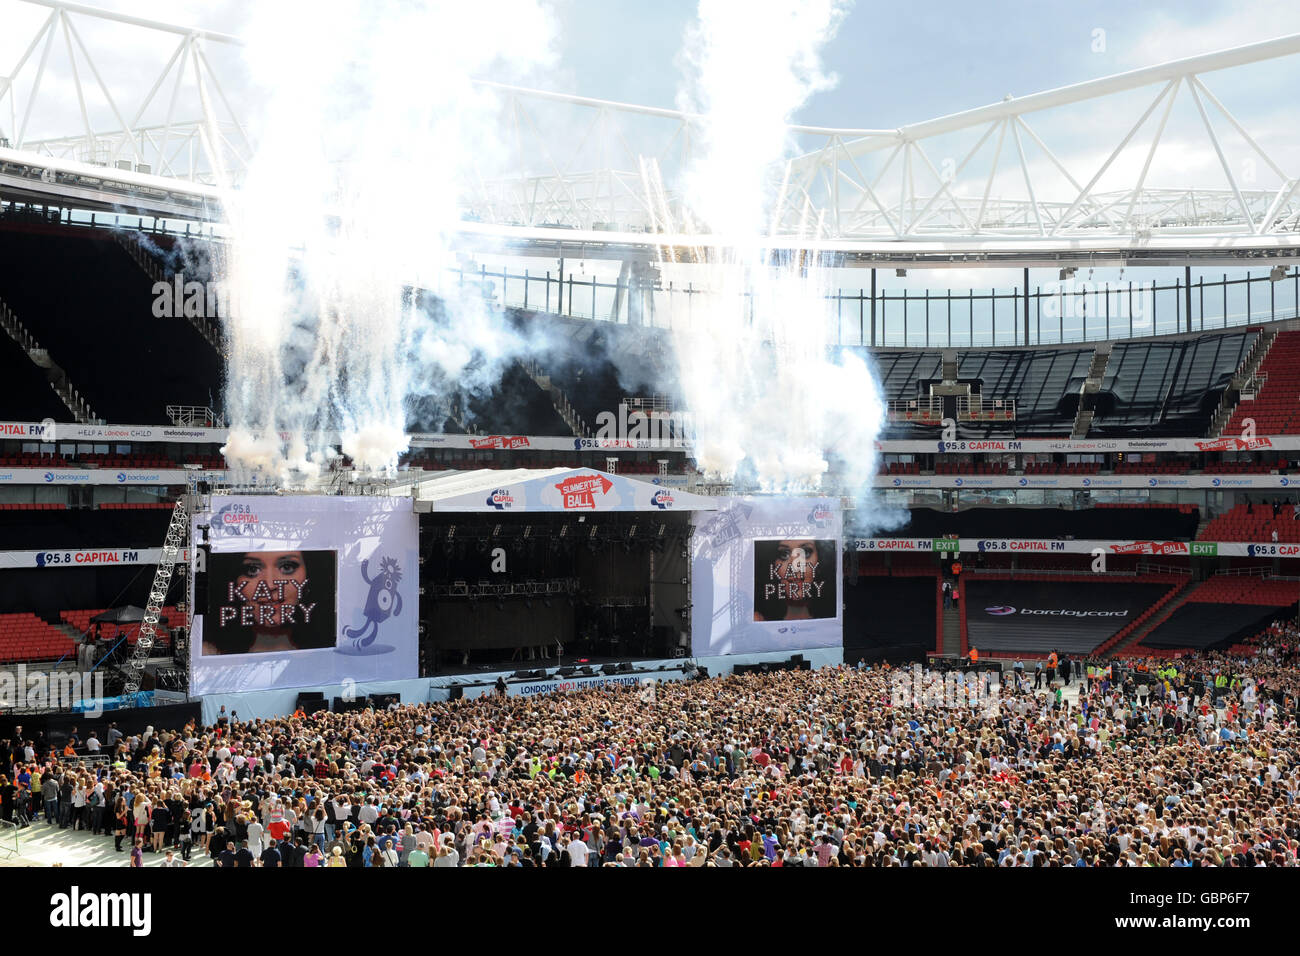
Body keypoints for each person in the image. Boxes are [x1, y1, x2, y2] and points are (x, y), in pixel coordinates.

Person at [202, 550, 335, 655]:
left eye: (287, 567)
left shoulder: (336, 645)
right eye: (252, 570)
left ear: (310, 572)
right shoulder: (205, 653)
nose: (270, 585)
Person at [753, 539, 836, 622]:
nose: (795, 568)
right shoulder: (756, 620)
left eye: (805, 553)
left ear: (819, 558)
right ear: (772, 562)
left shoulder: (835, 615)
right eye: (784, 554)